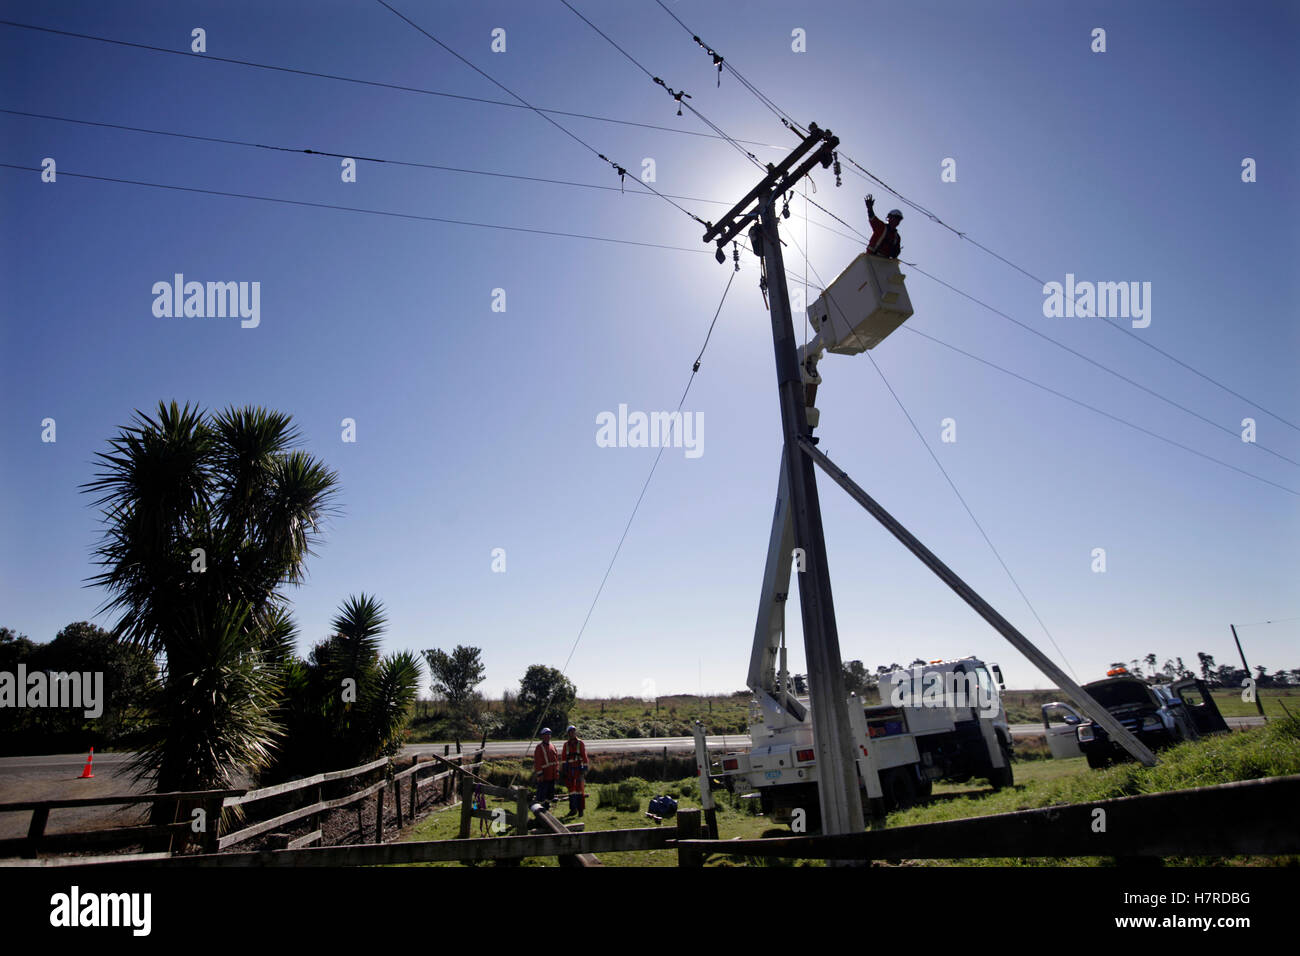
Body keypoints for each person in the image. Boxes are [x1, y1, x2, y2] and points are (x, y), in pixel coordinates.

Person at [560, 725, 590, 817]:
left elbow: (584, 757)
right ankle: (573, 809)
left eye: (573, 731)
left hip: (578, 769)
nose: (572, 733)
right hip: (569, 770)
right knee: (571, 790)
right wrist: (564, 770)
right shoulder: (566, 745)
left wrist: (584, 769)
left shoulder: (580, 743)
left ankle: (580, 810)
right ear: (568, 733)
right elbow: (564, 758)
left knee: (580, 790)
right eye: (570, 732)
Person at [864, 194, 903, 259]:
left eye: (898, 219)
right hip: (870, 258)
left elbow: (895, 253)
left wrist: (896, 252)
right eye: (895, 218)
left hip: (884, 263)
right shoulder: (881, 227)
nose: (896, 220)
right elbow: (872, 218)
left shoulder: (897, 237)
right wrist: (870, 208)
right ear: (889, 218)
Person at [533, 727, 561, 807]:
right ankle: (540, 812)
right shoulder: (539, 747)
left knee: (550, 794)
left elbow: (556, 761)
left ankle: (547, 808)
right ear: (542, 736)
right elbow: (537, 762)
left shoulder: (553, 746)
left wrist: (557, 771)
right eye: (546, 735)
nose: (548, 736)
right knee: (542, 794)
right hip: (544, 776)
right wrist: (540, 774)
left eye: (549, 734)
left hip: (552, 775)